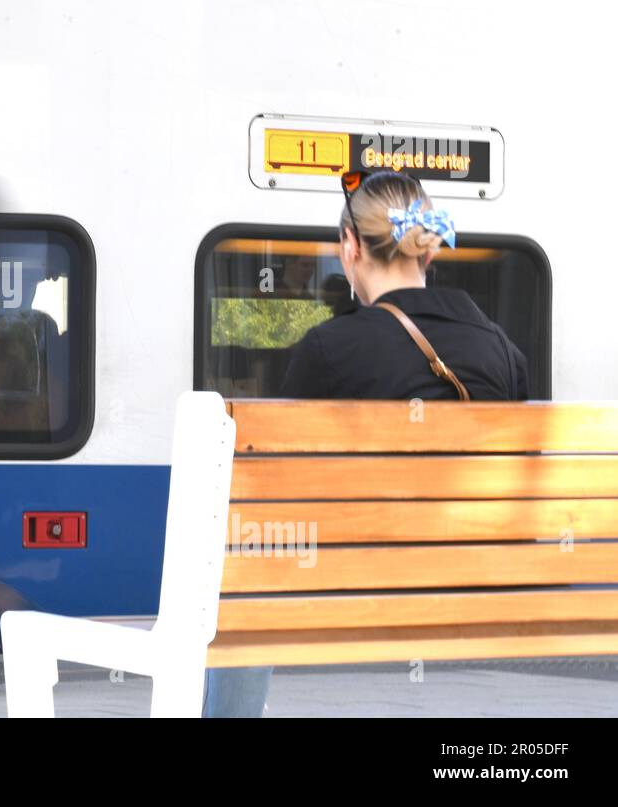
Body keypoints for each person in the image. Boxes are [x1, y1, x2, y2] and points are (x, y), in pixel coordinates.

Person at [203, 169, 530, 717]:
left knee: (241, 569)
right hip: (483, 578)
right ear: (429, 251)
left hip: (351, 583)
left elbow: (271, 486)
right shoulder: (500, 348)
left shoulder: (329, 349)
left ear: (350, 246)